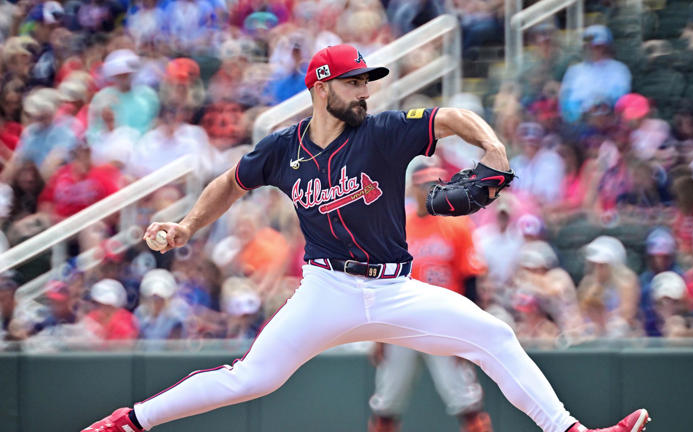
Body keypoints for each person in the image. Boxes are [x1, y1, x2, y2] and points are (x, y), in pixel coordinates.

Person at [83, 44, 650, 432]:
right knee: (253, 378)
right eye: (355, 82)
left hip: (396, 289)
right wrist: (185, 226)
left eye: (367, 82)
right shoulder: (283, 149)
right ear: (321, 87)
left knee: (495, 337)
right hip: (325, 290)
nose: (366, 92)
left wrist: (493, 151)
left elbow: (451, 116)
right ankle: (130, 421)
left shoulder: (382, 132)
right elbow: (230, 183)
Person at [368, 162, 493, 432]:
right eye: (422, 185)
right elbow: (381, 282)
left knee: (466, 399)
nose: (427, 190)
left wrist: (470, 329)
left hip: (445, 321)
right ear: (412, 188)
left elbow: (470, 280)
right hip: (401, 322)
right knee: (386, 401)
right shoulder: (397, 226)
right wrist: (378, 334)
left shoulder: (458, 225)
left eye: (432, 185)